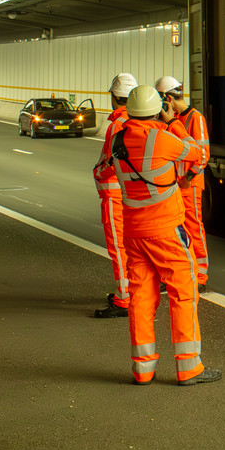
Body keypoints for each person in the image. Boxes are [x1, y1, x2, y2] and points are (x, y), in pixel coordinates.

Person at [113, 85, 220, 386]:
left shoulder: (117, 140)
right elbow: (197, 152)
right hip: (165, 230)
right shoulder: (162, 139)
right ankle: (189, 367)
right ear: (157, 110)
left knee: (140, 298)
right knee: (183, 292)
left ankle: (143, 369)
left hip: (133, 231)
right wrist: (172, 121)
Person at [155, 75, 210, 290]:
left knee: (194, 228)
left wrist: (188, 178)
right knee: (177, 232)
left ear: (168, 98)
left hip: (189, 185)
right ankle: (181, 274)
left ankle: (200, 275)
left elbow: (203, 155)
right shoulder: (173, 118)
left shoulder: (195, 118)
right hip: (175, 185)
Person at [93, 72, 137, 319]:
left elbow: (111, 162)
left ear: (114, 96)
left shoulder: (116, 125)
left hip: (114, 193)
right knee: (133, 247)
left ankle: (123, 299)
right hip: (134, 193)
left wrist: (98, 172)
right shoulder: (138, 121)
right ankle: (133, 293)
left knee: (118, 247)